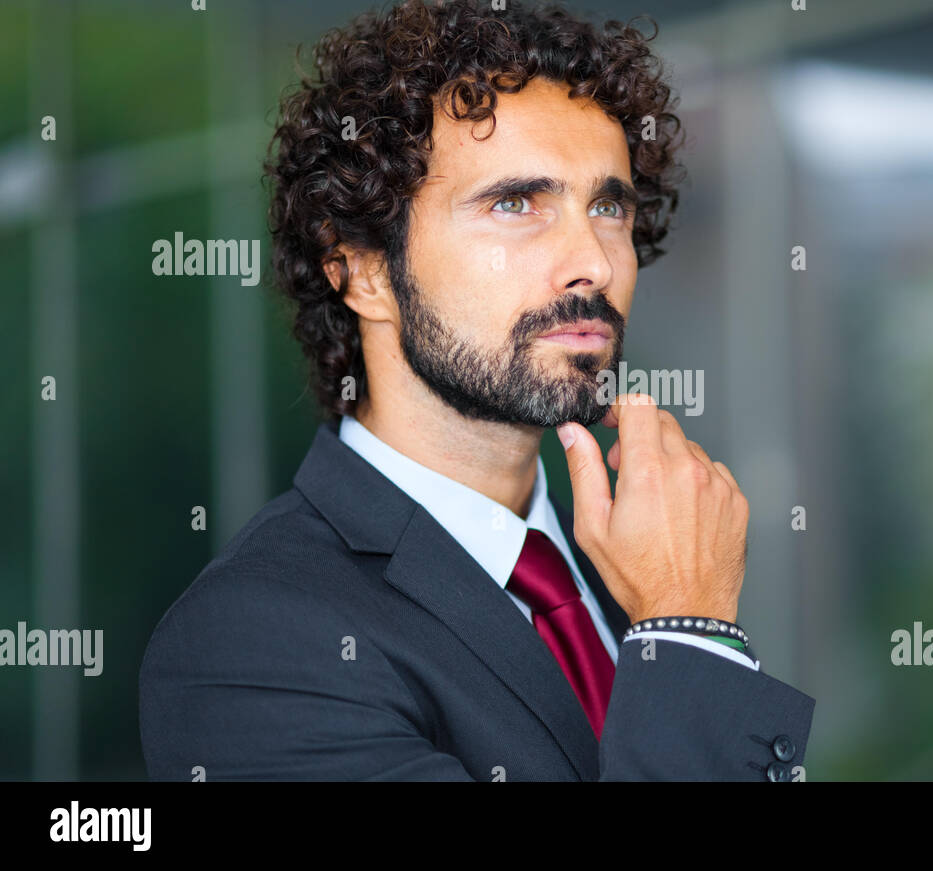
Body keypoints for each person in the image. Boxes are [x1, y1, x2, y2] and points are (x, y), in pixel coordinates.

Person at [139, 0, 814, 781]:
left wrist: (674, 619)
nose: (591, 261)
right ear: (360, 268)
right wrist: (690, 633)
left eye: (607, 206)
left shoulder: (638, 569)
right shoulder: (251, 641)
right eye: (516, 204)